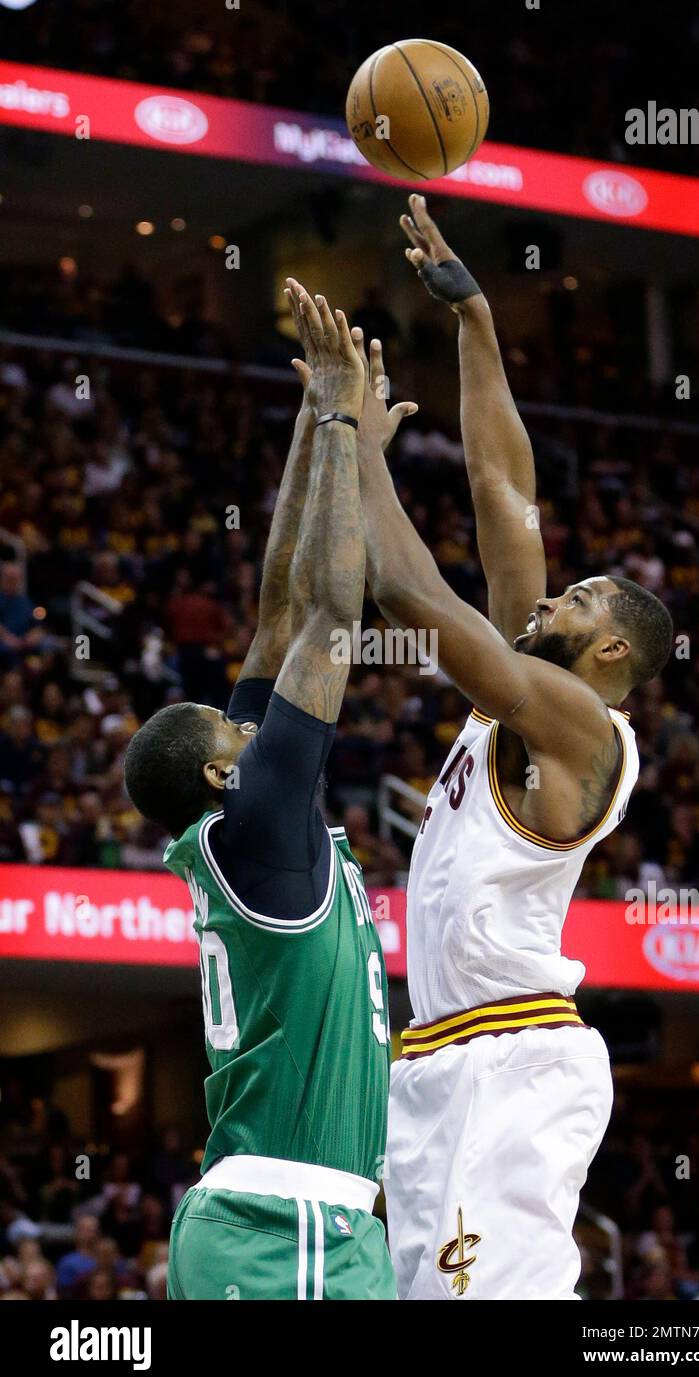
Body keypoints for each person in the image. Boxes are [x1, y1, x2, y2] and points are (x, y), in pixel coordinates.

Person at [356, 195, 674, 1300]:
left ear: (614, 652)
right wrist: (476, 321)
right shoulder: (526, 705)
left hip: (512, 1056)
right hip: (441, 1059)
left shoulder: (585, 729)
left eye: (580, 597)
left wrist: (357, 445)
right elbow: (503, 492)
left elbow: (411, 591)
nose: (556, 593)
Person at [124, 286, 399, 1301]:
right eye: (237, 726)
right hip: (290, 1222)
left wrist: (309, 424)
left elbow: (281, 607)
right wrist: (334, 418)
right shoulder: (263, 823)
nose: (257, 720)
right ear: (219, 771)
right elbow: (332, 610)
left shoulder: (247, 824)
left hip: (285, 1215)